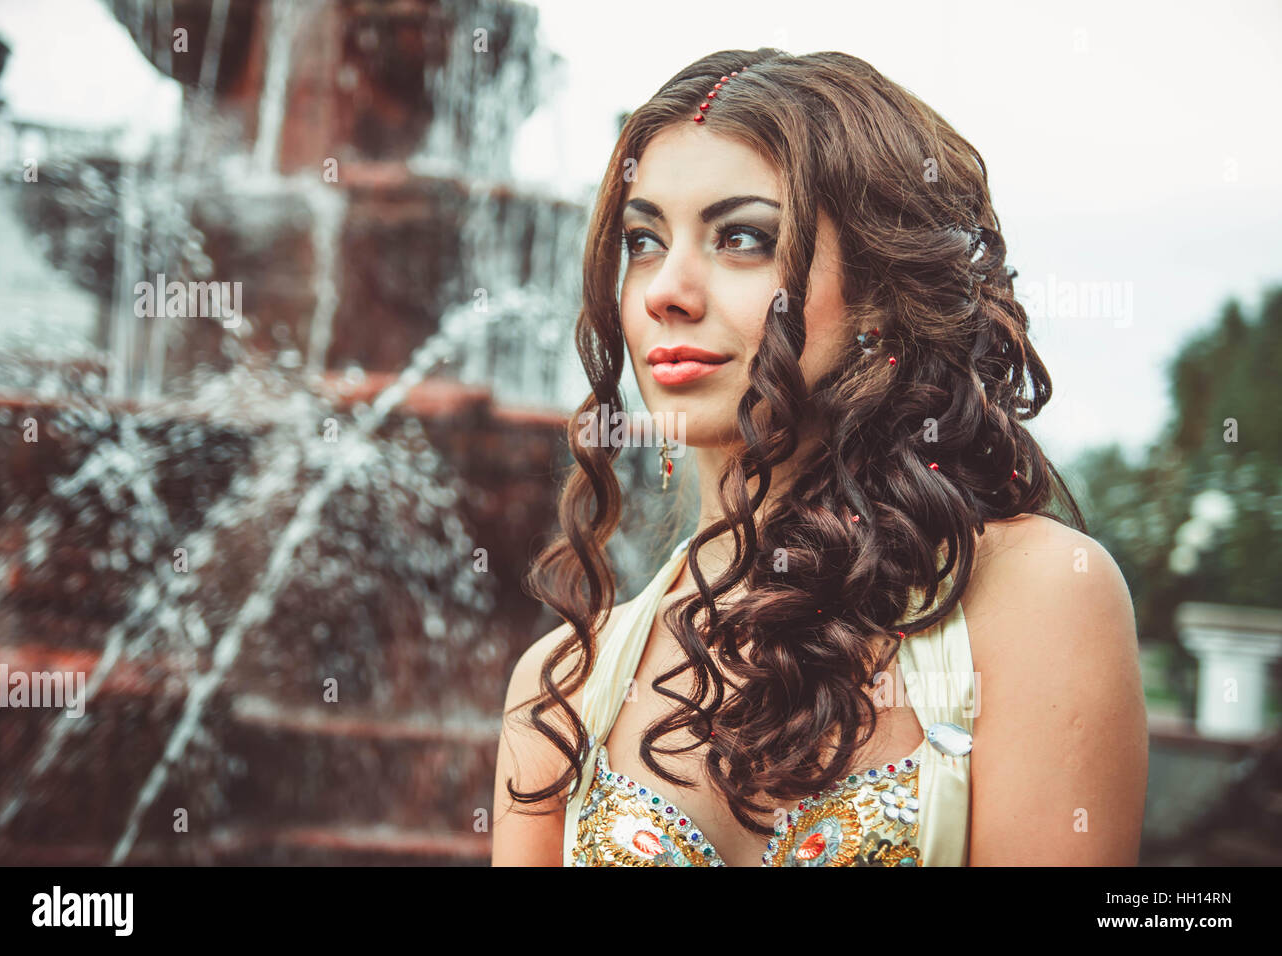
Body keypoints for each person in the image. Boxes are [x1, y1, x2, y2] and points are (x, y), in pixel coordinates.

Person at [491, 48, 1147, 866]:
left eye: (742, 238)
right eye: (643, 240)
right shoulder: (560, 689)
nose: (667, 289)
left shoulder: (1037, 600)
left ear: (878, 288)